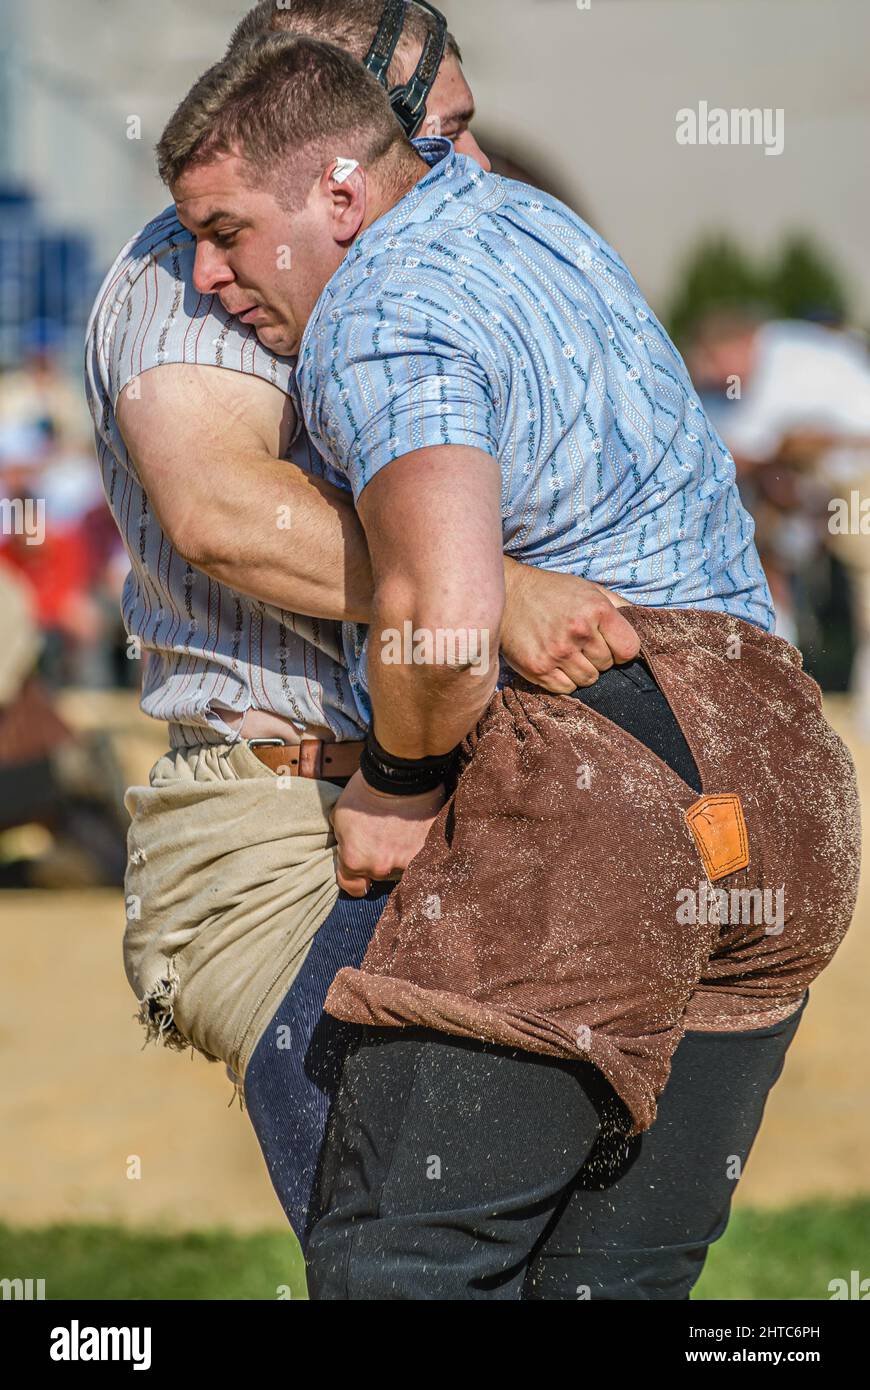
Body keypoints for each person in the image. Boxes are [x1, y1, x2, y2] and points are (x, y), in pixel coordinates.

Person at [158, 33, 861, 1299]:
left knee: (402, 1265)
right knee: (612, 1287)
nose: (204, 275)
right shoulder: (532, 225)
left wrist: (402, 780)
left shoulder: (374, 306)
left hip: (608, 791)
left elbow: (441, 601)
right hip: (780, 783)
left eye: (222, 229)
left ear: (338, 192)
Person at [85, 0, 640, 1245]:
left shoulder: (425, 278)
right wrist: (489, 591)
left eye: (469, 130)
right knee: (405, 1262)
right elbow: (222, 508)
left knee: (551, 1260)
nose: (474, 171)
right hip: (293, 826)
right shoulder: (197, 267)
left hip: (440, 796)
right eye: (437, 135)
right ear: (329, 149)